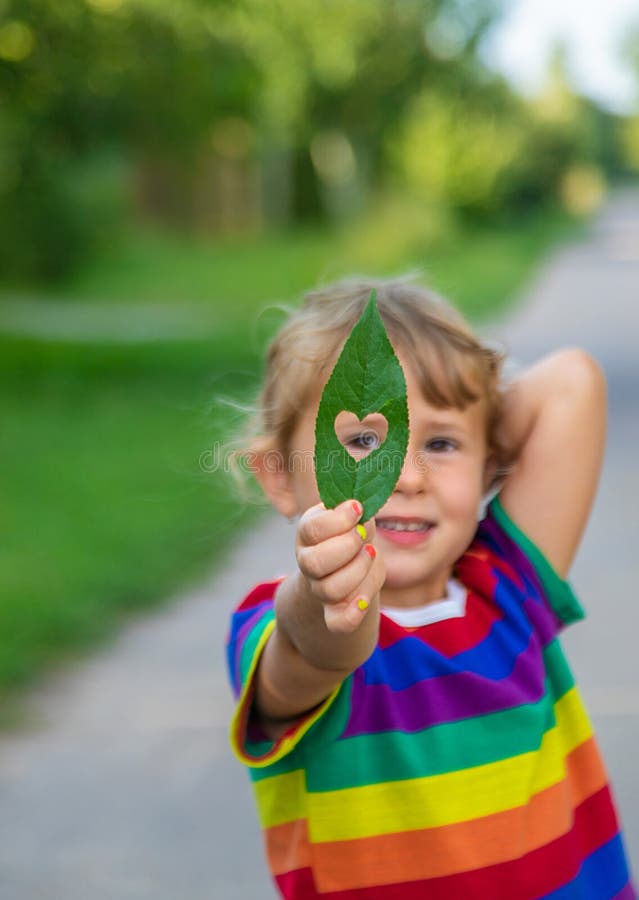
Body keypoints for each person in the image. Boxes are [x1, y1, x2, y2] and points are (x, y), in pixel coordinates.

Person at [226, 277, 635, 899]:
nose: (408, 476)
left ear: (490, 457)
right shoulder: (281, 620)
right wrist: (323, 593)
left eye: (440, 445)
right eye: (365, 441)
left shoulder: (510, 586)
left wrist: (474, 406)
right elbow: (321, 645)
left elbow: (573, 382)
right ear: (280, 478)